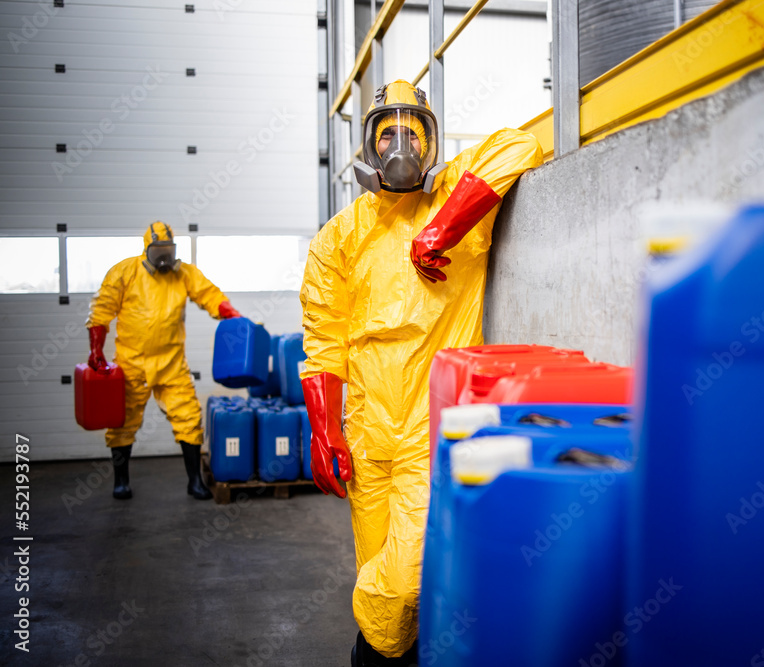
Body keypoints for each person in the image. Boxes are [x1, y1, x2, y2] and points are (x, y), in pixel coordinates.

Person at [300, 80, 542, 665]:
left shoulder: (456, 196)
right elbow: (324, 340)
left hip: (428, 428)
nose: (400, 145)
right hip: (366, 430)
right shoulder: (340, 237)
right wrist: (323, 429)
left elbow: (521, 145)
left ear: (432, 142)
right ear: (368, 146)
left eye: (413, 131)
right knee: (378, 567)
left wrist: (445, 227)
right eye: (387, 134)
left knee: (404, 582)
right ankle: (395, 652)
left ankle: (369, 653)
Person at [86, 221, 242, 501]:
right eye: (158, 251)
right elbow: (101, 310)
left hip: (172, 365)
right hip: (131, 364)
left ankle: (195, 482)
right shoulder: (125, 272)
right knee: (122, 423)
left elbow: (209, 295)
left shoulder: (184, 274)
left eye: (168, 251)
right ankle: (121, 482)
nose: (164, 257)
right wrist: (95, 349)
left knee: (189, 418)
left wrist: (232, 315)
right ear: (147, 249)